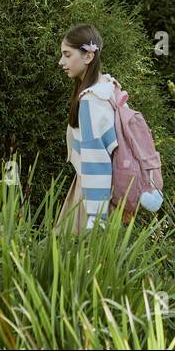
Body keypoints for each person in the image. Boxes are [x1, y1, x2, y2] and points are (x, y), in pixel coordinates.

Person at [55, 23, 118, 234]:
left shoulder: (91, 101)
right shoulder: (108, 88)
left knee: (71, 259)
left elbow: (96, 162)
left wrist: (96, 218)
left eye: (67, 54)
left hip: (92, 195)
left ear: (88, 57)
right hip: (105, 190)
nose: (61, 62)